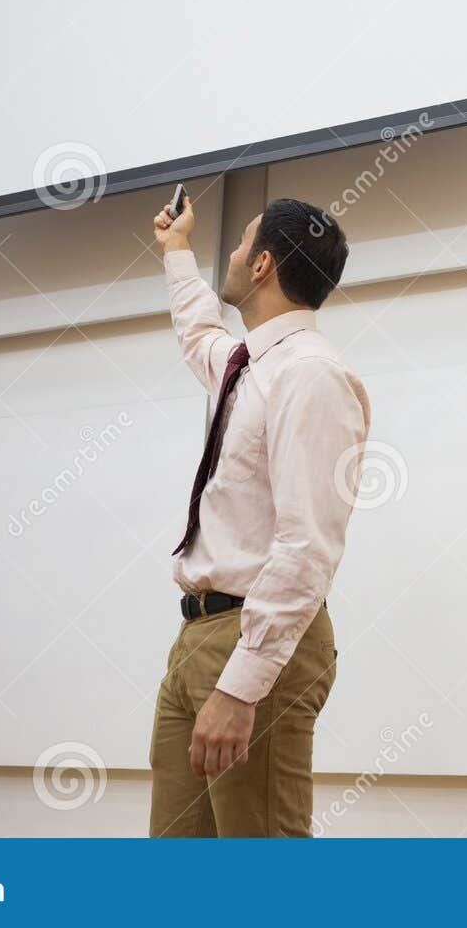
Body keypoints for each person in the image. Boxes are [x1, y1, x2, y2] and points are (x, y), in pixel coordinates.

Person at [148, 194, 370, 837]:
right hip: (198, 638)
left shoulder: (311, 375)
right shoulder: (252, 365)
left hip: (255, 643)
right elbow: (199, 333)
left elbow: (307, 547)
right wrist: (176, 249)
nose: (237, 254)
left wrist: (241, 686)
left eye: (243, 244)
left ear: (264, 263)